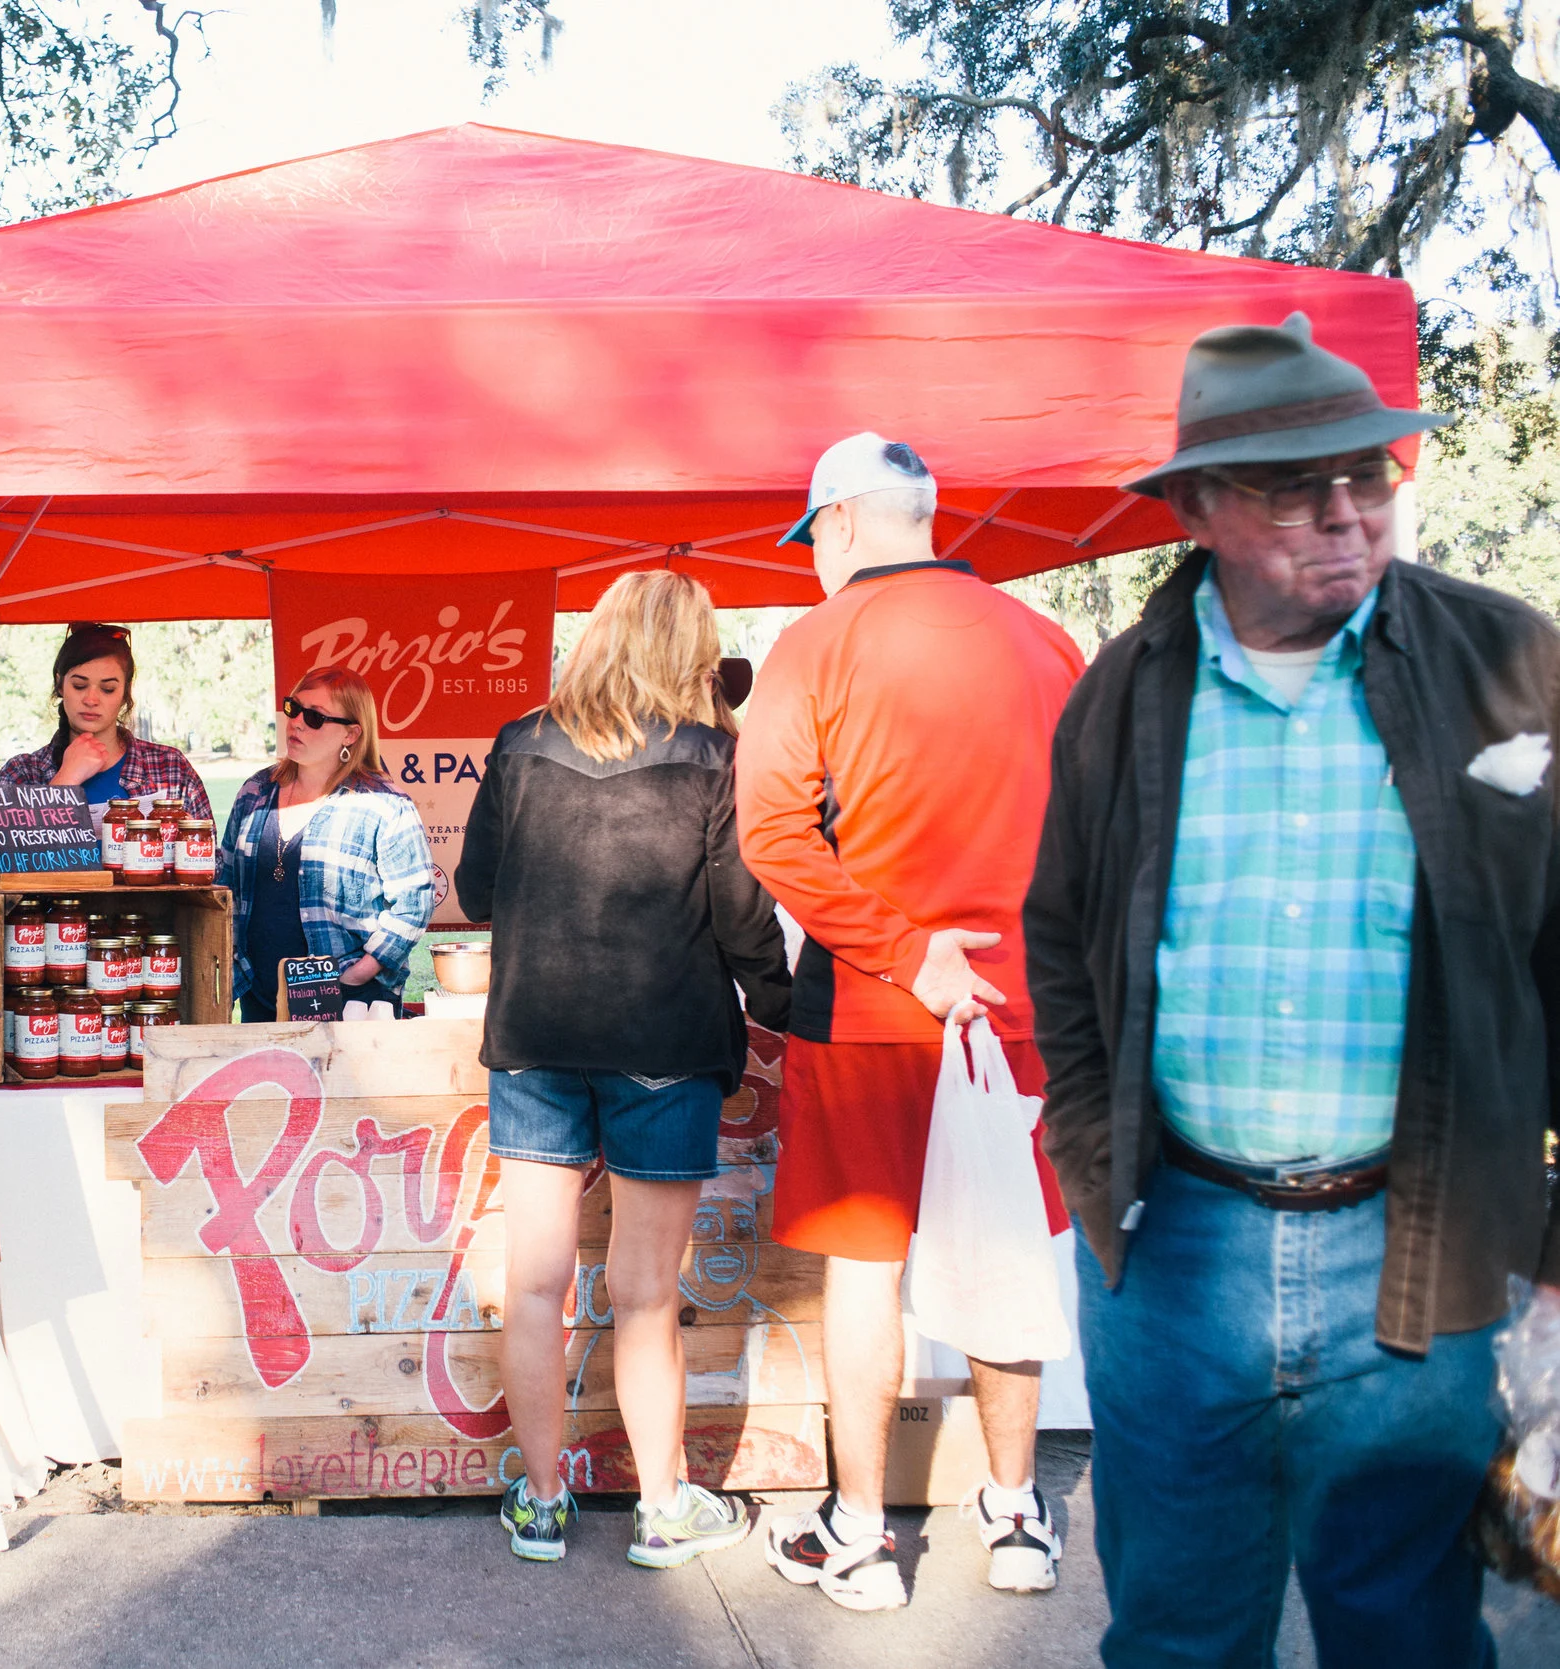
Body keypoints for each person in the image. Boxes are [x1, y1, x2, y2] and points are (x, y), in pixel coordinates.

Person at [1026, 313, 1559, 1668]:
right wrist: (1100, 1172)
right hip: (1177, 1247)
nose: (1345, 513)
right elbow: (1062, 944)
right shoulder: (1126, 691)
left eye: (1370, 474)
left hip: (1419, 1249)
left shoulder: (1508, 668)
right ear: (1199, 508)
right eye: (1291, 486)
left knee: (1408, 1633)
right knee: (1179, 1635)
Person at [737, 432, 1084, 1610]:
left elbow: (772, 835)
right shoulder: (1046, 641)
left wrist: (902, 954)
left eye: (812, 540)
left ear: (834, 525)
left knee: (861, 1268)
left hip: (872, 1008)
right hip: (1019, 1010)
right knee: (1007, 1260)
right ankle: (1015, 1513)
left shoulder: (813, 640)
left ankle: (860, 1533)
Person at [456, 569, 792, 1567]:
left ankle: (545, 1504)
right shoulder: (712, 757)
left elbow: (476, 892)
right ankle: (660, 1509)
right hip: (664, 1046)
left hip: (535, 1040)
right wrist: (785, 1005)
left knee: (533, 1283)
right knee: (647, 1290)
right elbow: (742, 919)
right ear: (691, 653)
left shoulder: (519, 743)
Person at [217, 668, 434, 1020]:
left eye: (315, 717)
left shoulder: (383, 804)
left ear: (351, 733)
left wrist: (357, 974)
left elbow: (414, 904)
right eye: (293, 708)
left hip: (350, 1001)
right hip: (259, 993)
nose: (297, 723)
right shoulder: (255, 791)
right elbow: (224, 884)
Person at [0, 622, 209, 817]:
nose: (91, 699)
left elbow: (212, 859)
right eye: (79, 686)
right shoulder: (23, 771)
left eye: (108, 689)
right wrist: (65, 779)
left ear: (126, 692)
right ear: (59, 684)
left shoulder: (170, 767)